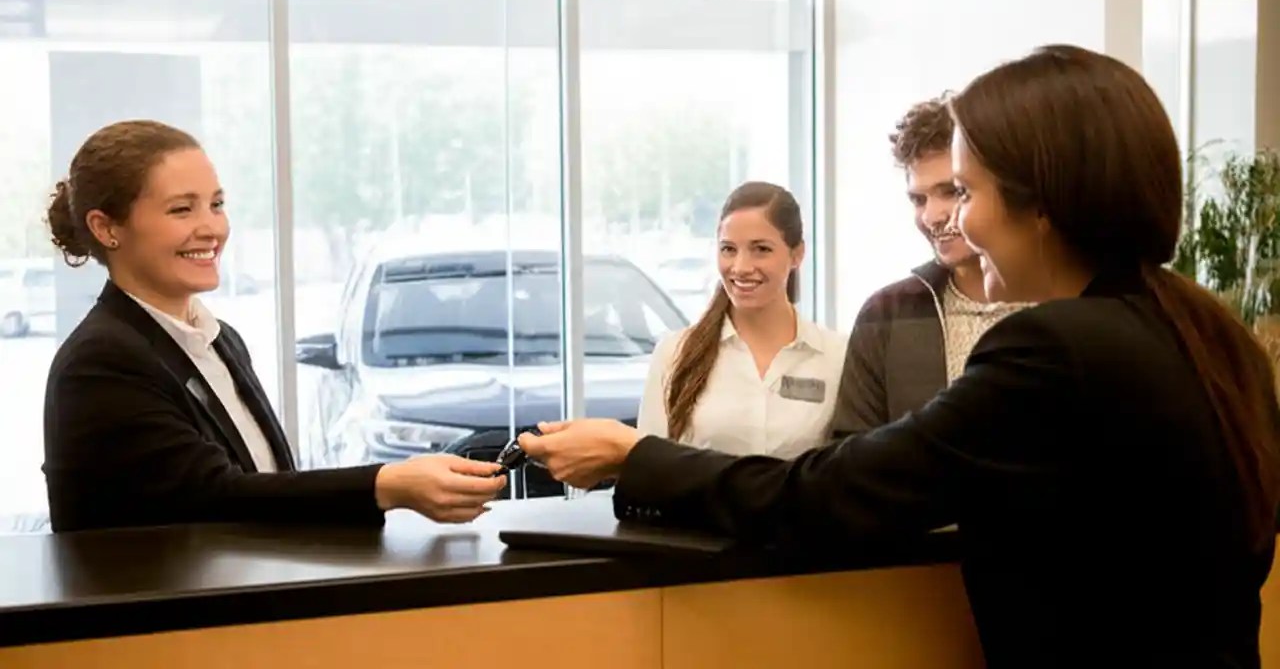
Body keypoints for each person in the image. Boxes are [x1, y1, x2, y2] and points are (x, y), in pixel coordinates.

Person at [518, 46, 1280, 667]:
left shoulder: (1053, 350)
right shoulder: (1205, 332)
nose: (956, 225)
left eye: (968, 194)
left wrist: (633, 456)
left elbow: (825, 496)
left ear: (1042, 204)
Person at [42, 120, 506, 532]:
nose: (212, 229)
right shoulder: (102, 362)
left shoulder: (220, 340)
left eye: (216, 204)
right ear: (106, 228)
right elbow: (211, 496)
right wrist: (388, 484)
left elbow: (266, 483)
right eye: (182, 210)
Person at [834, 95, 1031, 437]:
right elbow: (848, 456)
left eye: (952, 192)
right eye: (918, 199)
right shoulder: (887, 314)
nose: (931, 215)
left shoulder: (1064, 301)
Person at [638, 182, 846, 458]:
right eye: (728, 249)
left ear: (797, 254)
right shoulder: (674, 354)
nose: (741, 267)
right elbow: (648, 469)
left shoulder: (837, 356)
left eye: (761, 249)